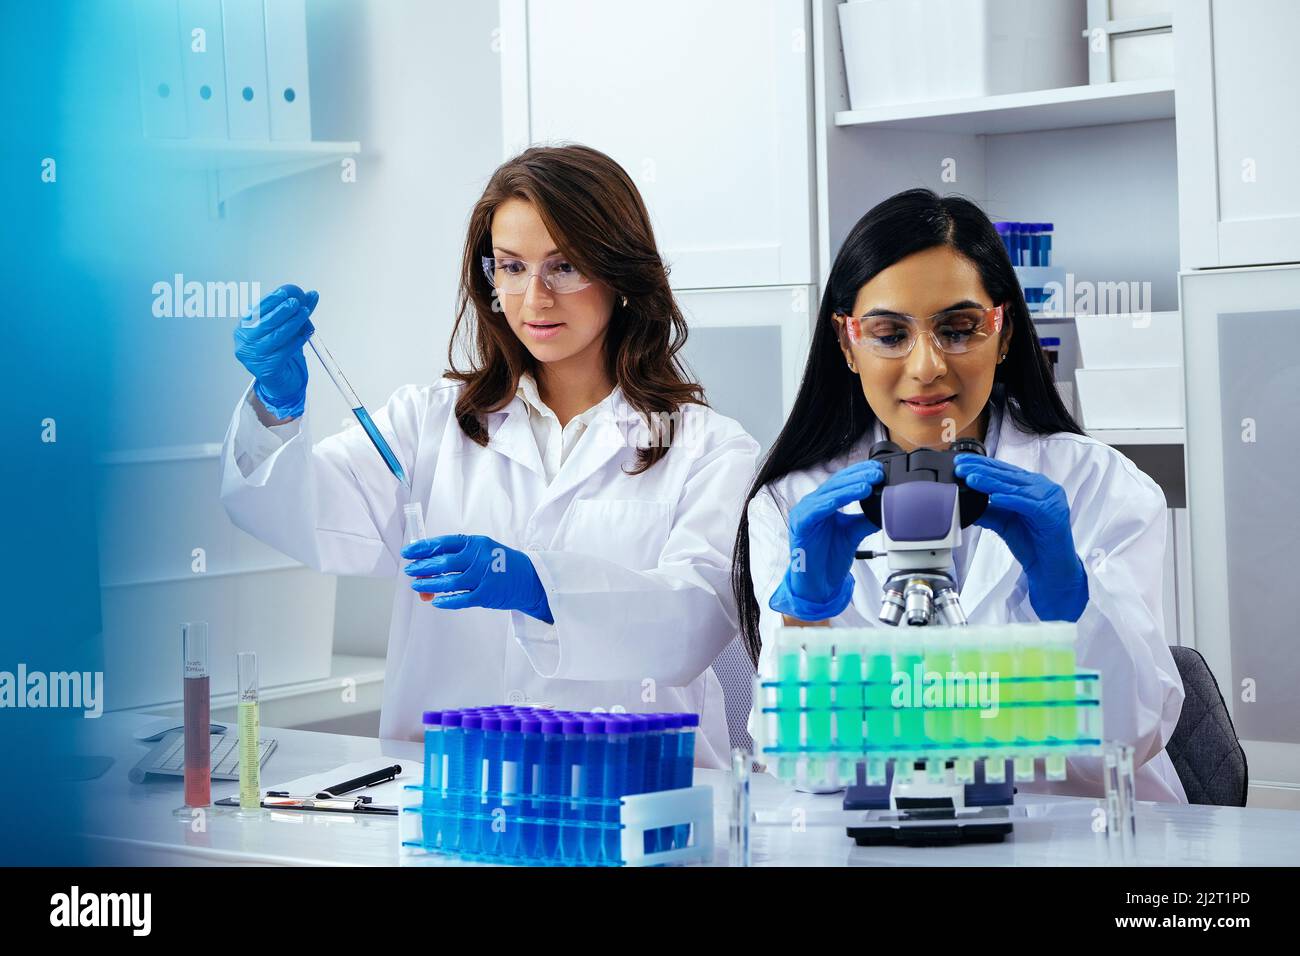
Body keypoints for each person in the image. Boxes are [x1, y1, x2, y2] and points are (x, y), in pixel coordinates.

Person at [222, 144, 759, 768]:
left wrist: (540, 585)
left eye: (565, 267)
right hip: (453, 791)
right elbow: (299, 516)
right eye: (510, 266)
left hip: (634, 804)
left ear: (621, 275)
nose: (534, 298)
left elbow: (691, 625)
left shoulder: (707, 448)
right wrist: (274, 408)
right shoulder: (427, 424)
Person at [733, 188, 1187, 801]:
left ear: (1002, 334)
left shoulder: (1100, 487)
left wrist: (1068, 600)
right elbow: (812, 769)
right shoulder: (794, 506)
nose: (927, 367)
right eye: (889, 333)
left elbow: (1128, 740)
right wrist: (806, 615)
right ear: (847, 344)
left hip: (1079, 834)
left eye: (959, 328)